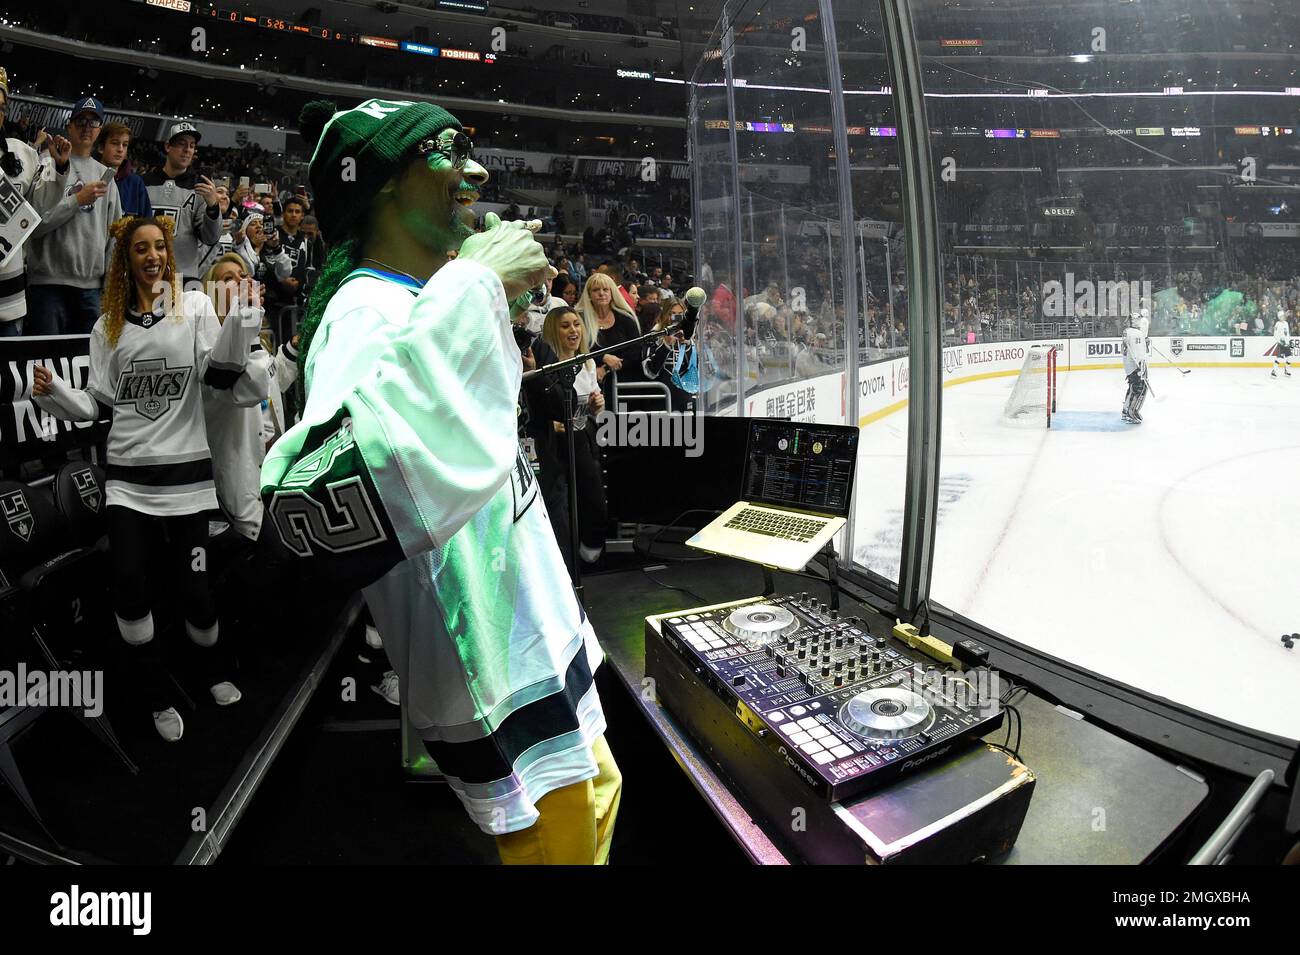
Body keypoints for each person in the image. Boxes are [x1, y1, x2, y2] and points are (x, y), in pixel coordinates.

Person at [259, 99, 620, 864]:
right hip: (492, 663)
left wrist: (479, 299)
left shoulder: (419, 295)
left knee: (599, 797)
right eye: (447, 151)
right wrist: (477, 288)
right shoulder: (361, 312)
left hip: (527, 633)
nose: (475, 171)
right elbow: (355, 479)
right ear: (385, 181)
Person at [30, 216, 262, 741]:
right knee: (130, 585)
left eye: (159, 246)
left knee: (196, 594)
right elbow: (94, 406)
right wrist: (54, 394)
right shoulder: (106, 327)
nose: (153, 255)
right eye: (141, 249)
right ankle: (155, 694)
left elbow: (221, 377)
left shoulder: (196, 307)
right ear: (126, 261)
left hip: (187, 484)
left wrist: (245, 319)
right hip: (128, 483)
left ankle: (212, 670)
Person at [200, 252, 298, 542]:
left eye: (242, 277)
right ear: (212, 295)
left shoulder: (255, 336)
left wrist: (292, 350)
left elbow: (269, 382)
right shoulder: (211, 348)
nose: (239, 283)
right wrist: (247, 325)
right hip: (239, 474)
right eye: (227, 280)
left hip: (271, 466)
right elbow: (247, 390)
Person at [24, 96, 122, 336]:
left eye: (93, 122)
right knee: (43, 364)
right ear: (69, 125)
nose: (87, 127)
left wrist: (108, 289)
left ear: (99, 130)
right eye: (81, 121)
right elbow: (34, 225)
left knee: (84, 368)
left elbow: (115, 239)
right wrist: (78, 200)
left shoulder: (106, 177)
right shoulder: (48, 165)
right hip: (47, 286)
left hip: (90, 290)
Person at [0, 68, 75, 336]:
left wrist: (59, 166)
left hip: (8, 297)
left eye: (0, 106)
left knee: (8, 377)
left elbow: (39, 205)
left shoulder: (22, 153)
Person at [540, 306, 608, 565]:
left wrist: (596, 406)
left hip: (579, 438)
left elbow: (594, 410)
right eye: (566, 325)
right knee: (558, 507)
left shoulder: (587, 363)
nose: (573, 330)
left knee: (593, 499)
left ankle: (587, 556)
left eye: (577, 324)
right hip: (551, 445)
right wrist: (551, 423)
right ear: (553, 331)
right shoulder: (545, 367)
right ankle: (563, 562)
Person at [142, 121, 221, 281]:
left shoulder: (200, 189)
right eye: (181, 144)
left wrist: (213, 207)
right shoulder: (142, 183)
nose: (187, 150)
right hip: (144, 273)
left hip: (182, 277)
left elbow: (210, 238)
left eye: (192, 146)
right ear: (167, 147)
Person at [575, 270, 641, 408]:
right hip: (590, 384)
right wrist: (603, 357)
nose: (601, 293)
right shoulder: (579, 319)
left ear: (612, 293)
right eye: (596, 290)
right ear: (588, 295)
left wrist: (606, 368)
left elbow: (635, 352)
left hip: (625, 385)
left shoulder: (626, 318)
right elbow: (578, 348)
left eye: (605, 289)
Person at [97, 121, 152, 218]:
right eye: (115, 143)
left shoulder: (136, 183)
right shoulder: (89, 177)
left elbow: (146, 222)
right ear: (101, 148)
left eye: (125, 144)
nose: (120, 149)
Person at [1121, 312, 1149, 423]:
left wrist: (1145, 341)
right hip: (1135, 365)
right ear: (1134, 320)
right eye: (1138, 319)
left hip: (1128, 363)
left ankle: (1126, 410)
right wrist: (1140, 366)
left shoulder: (1127, 331)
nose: (1141, 322)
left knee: (1133, 387)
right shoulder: (1136, 333)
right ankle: (1131, 412)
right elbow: (1138, 352)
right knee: (1139, 388)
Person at [1273, 310, 1292, 378]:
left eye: (1283, 316)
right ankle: (1274, 371)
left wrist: (1288, 341)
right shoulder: (1278, 324)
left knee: (1289, 358)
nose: (1283, 317)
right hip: (1281, 344)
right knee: (1279, 358)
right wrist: (1280, 341)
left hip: (1286, 344)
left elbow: (1287, 333)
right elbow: (1275, 334)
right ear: (1279, 317)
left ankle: (1286, 370)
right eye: (1282, 316)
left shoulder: (1286, 323)